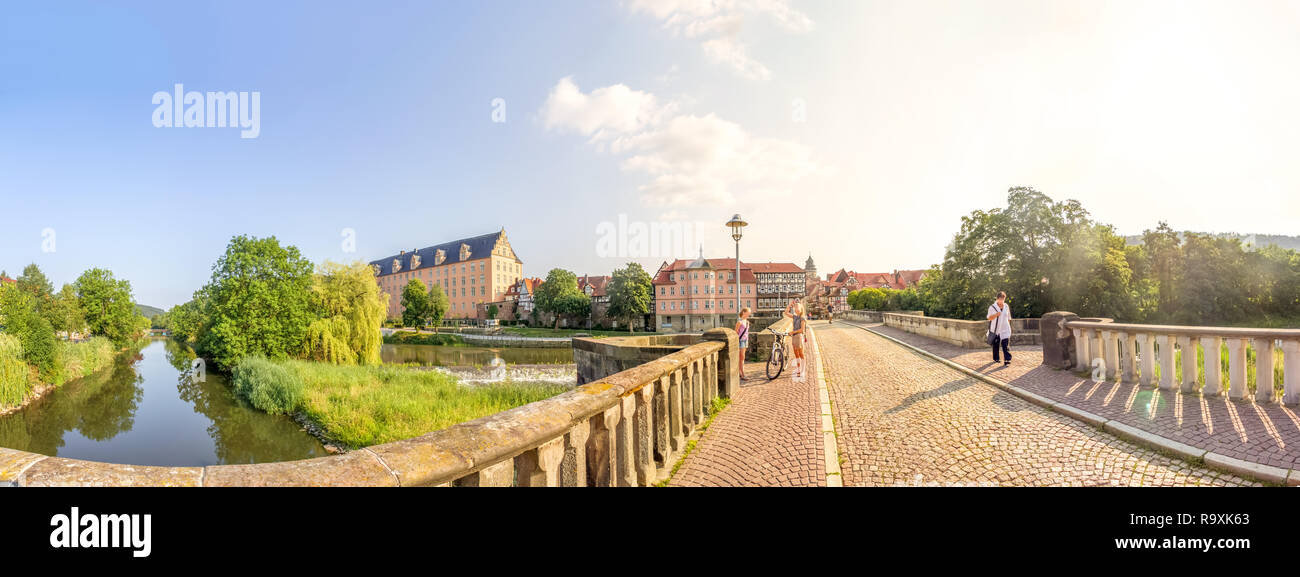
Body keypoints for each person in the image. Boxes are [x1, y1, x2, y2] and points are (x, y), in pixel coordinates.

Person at [986, 291, 1012, 366]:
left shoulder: (1006, 306)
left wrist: (1009, 327)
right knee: (996, 345)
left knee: (1005, 345)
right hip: (996, 329)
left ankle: (1007, 360)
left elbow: (1009, 317)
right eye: (1000, 299)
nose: (1002, 301)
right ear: (997, 299)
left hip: (1005, 329)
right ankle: (996, 358)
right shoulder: (992, 307)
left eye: (1003, 299)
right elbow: (989, 318)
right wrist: (996, 315)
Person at [785, 299, 807, 379]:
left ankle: (803, 370)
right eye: (795, 308)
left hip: (799, 336)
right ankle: (798, 369)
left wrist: (793, 332)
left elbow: (801, 330)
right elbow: (786, 313)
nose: (796, 309)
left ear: (801, 309)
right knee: (796, 354)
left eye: (798, 308)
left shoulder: (802, 318)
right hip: (794, 336)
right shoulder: (794, 317)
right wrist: (790, 305)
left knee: (801, 354)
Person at [735, 307, 752, 381]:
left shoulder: (747, 322)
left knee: (742, 358)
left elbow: (746, 333)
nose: (749, 314)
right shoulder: (739, 322)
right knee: (741, 358)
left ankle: (740, 373)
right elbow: (735, 333)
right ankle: (742, 374)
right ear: (744, 312)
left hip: (745, 341)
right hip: (740, 341)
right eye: (748, 312)